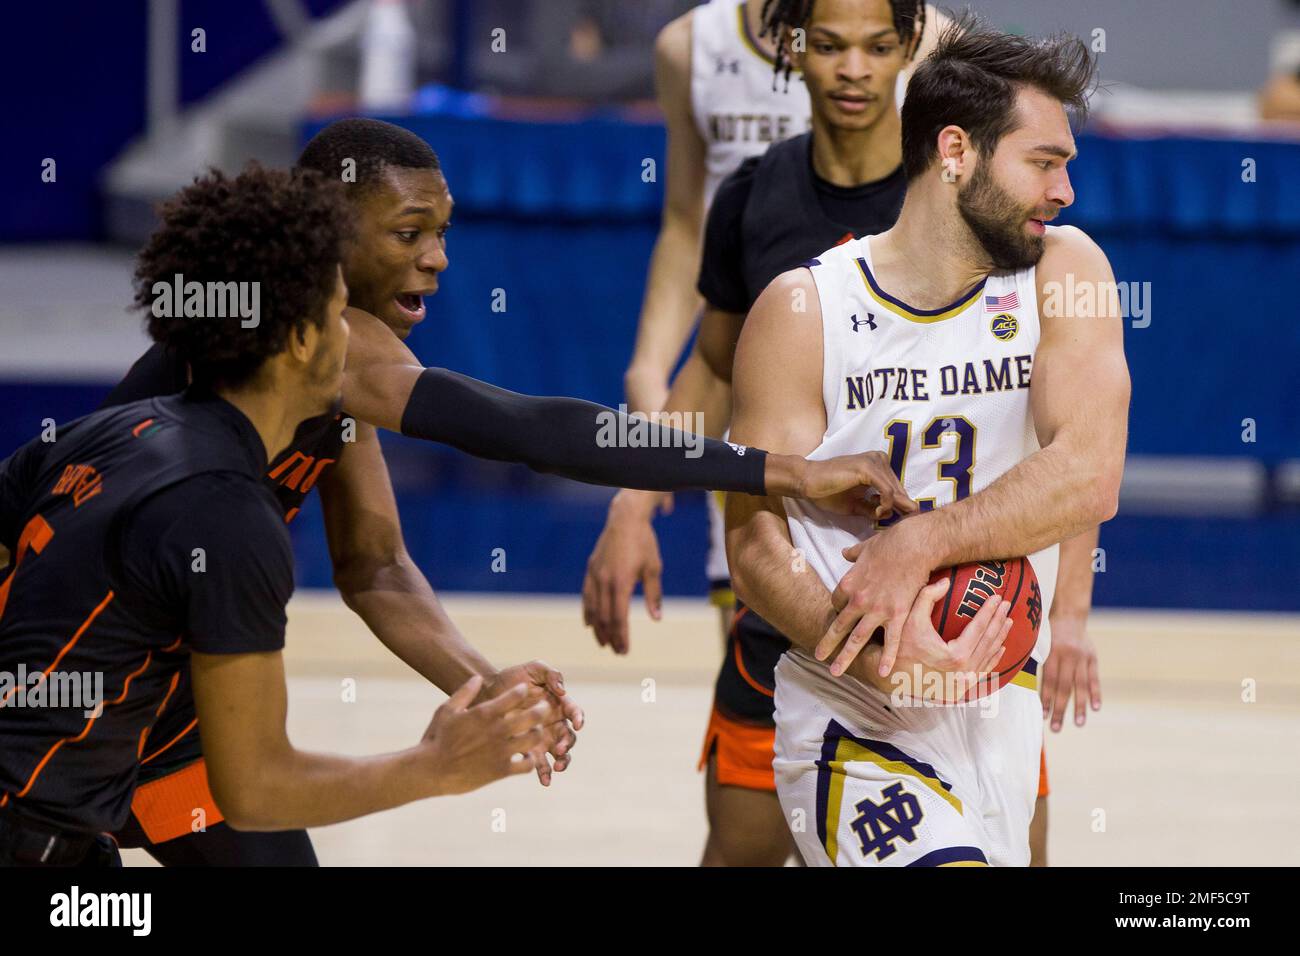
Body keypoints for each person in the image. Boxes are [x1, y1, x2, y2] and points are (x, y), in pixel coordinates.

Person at [101, 118, 907, 865]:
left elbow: (375, 567)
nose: (439, 258)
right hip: (70, 680)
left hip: (164, 702)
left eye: (442, 233)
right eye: (409, 233)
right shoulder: (324, 348)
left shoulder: (318, 370)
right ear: (324, 230)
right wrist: (780, 470)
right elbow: (532, 430)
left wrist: (481, 686)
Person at [0, 167, 559, 866]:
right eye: (338, 315)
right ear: (301, 340)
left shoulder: (107, 433)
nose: (359, 339)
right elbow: (258, 786)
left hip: (72, 818)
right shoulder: (230, 517)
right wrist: (437, 764)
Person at [725, 16, 1129, 866]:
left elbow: (1089, 475)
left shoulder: (1069, 274)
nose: (1064, 194)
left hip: (998, 703)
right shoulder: (803, 311)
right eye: (1044, 163)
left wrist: (921, 545)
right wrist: (875, 660)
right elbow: (753, 544)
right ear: (956, 151)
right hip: (852, 712)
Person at [622, 0, 947, 640]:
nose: (854, 70)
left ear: (907, 49)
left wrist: (1067, 612)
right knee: (766, 720)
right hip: (780, 525)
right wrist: (633, 496)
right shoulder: (749, 189)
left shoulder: (951, 195)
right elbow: (715, 358)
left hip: (923, 524)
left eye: (877, 49)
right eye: (829, 46)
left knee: (916, 700)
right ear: (792, 48)